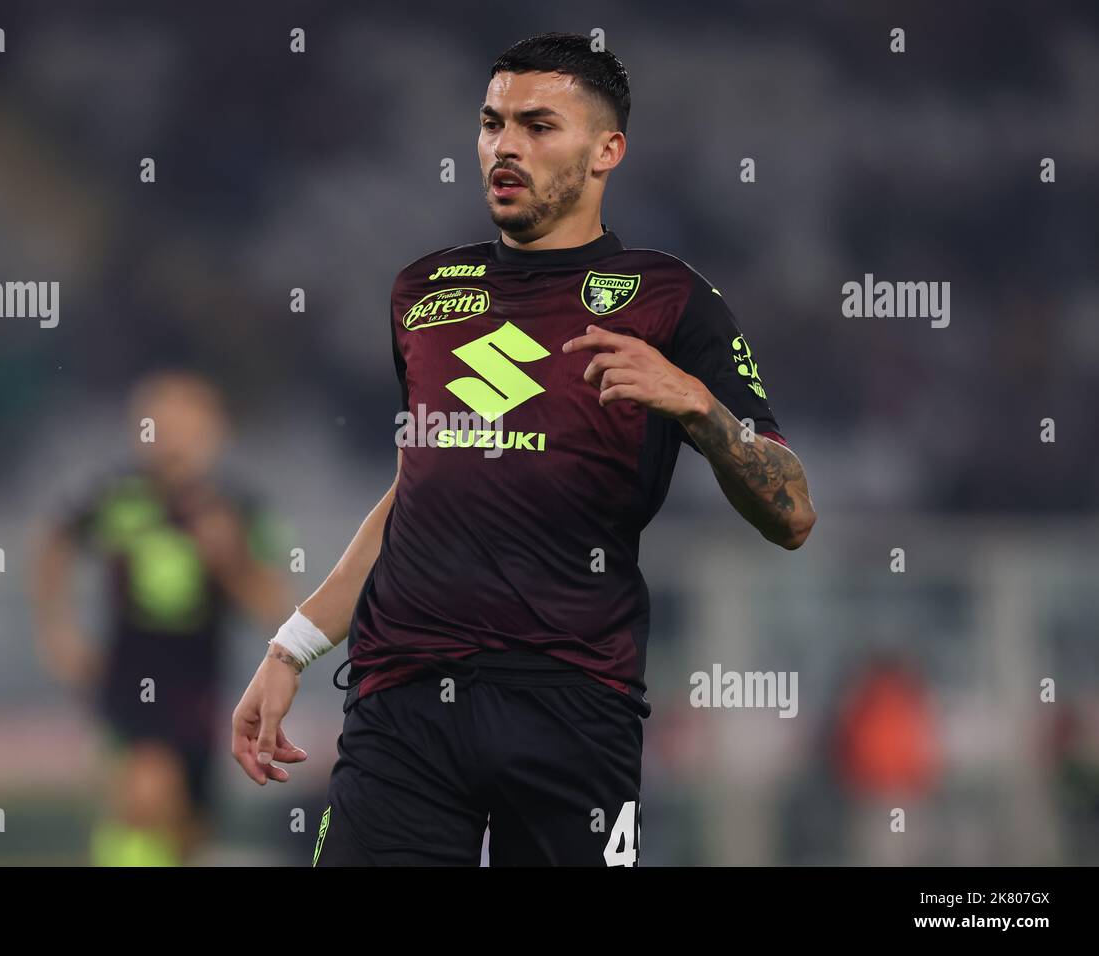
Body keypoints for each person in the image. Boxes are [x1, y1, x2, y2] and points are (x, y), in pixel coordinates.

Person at [231, 32, 816, 866]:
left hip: (573, 705)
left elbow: (792, 511)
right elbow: (418, 491)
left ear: (606, 150)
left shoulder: (668, 299)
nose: (505, 146)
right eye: (492, 122)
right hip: (402, 704)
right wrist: (291, 647)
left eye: (539, 125)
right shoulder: (423, 291)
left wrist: (695, 402)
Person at [33, 371, 290, 865]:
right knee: (146, 795)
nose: (170, 440)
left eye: (185, 426)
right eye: (158, 425)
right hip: (129, 678)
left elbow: (274, 607)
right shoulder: (117, 497)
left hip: (201, 685)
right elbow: (52, 543)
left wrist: (230, 559)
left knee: (187, 825)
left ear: (214, 434)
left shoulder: (239, 509)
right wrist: (57, 631)